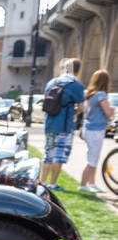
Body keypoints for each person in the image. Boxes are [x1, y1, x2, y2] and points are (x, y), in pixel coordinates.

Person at [41, 57, 86, 190]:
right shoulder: (76, 85)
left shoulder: (52, 82)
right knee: (58, 156)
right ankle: (52, 184)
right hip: (64, 126)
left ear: (65, 68)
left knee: (48, 154)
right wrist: (73, 112)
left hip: (49, 123)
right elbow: (81, 107)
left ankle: (42, 182)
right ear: (78, 70)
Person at [78, 69, 115, 193]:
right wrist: (113, 110)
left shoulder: (90, 94)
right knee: (92, 160)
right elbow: (108, 112)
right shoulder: (101, 95)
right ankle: (83, 185)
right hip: (96, 130)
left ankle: (92, 183)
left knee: (93, 158)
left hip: (89, 128)